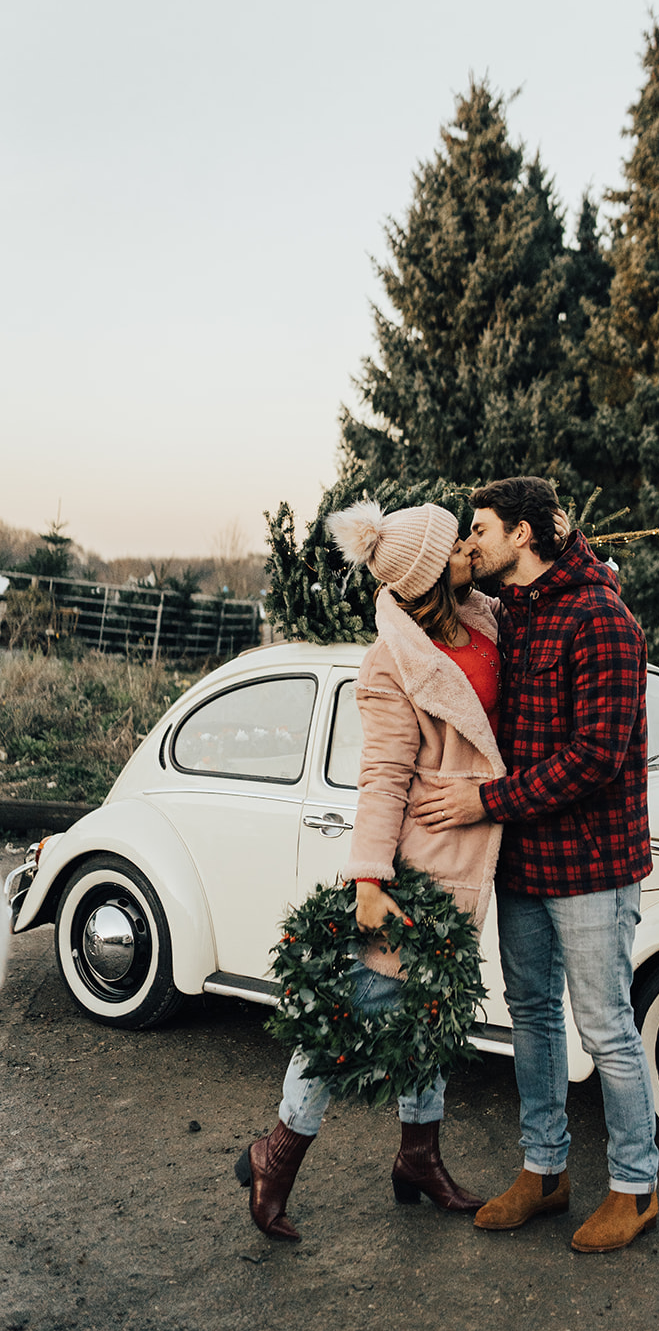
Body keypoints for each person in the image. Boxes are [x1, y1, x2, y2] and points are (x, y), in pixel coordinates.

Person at [236, 500, 505, 1241]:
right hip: (419, 863)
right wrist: (367, 881)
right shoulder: (389, 663)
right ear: (430, 574)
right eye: (454, 544)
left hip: (476, 851)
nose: (467, 548)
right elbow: (383, 773)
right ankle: (277, 1154)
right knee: (349, 1014)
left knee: (433, 1017)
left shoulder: (485, 617)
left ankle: (417, 1158)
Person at [413, 475, 659, 1254]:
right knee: (532, 1017)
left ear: (522, 534)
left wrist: (486, 801)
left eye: (479, 529)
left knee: (606, 1026)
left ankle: (634, 1186)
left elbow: (595, 756)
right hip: (522, 861)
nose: (469, 543)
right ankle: (544, 1171)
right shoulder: (508, 614)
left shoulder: (601, 619)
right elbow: (409, 614)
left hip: (591, 864)